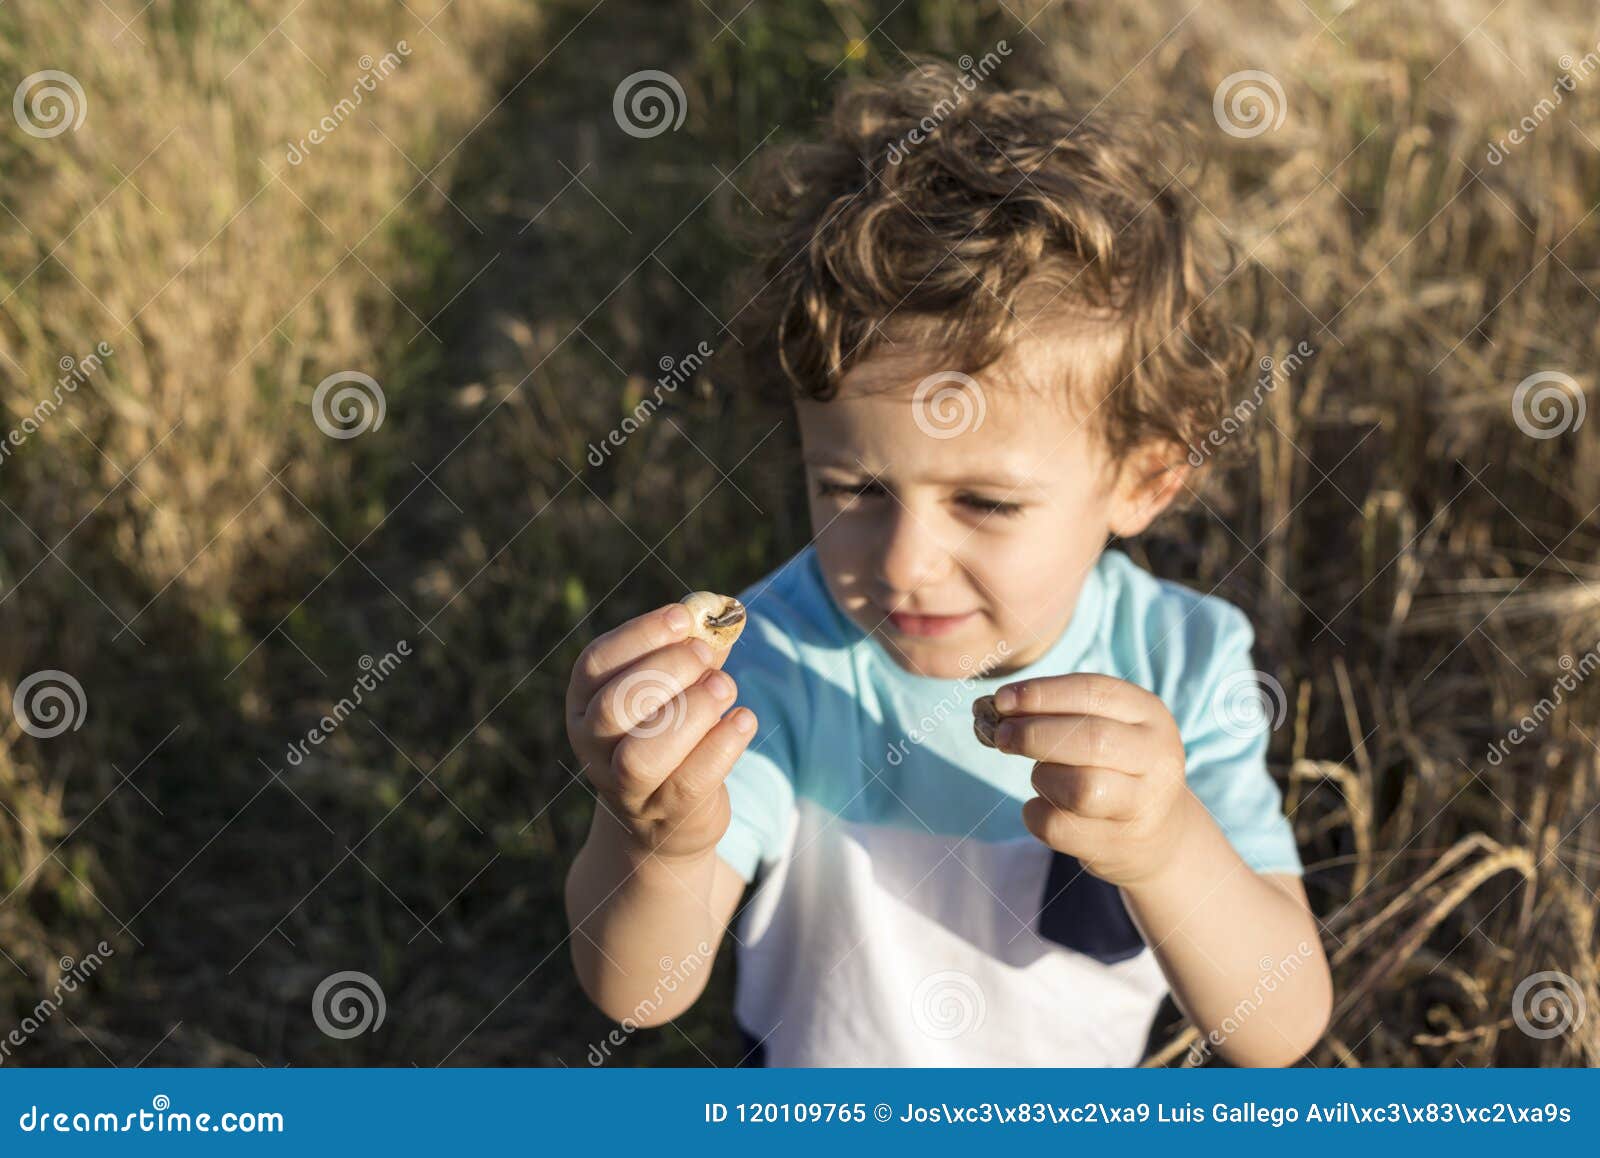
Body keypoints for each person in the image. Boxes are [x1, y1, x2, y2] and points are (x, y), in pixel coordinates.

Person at [564, 59, 1333, 1066]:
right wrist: (654, 843)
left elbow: (1277, 1027)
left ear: (1144, 482)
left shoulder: (1184, 664)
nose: (906, 564)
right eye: (854, 490)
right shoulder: (779, 659)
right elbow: (640, 992)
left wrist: (1167, 846)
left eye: (986, 501)